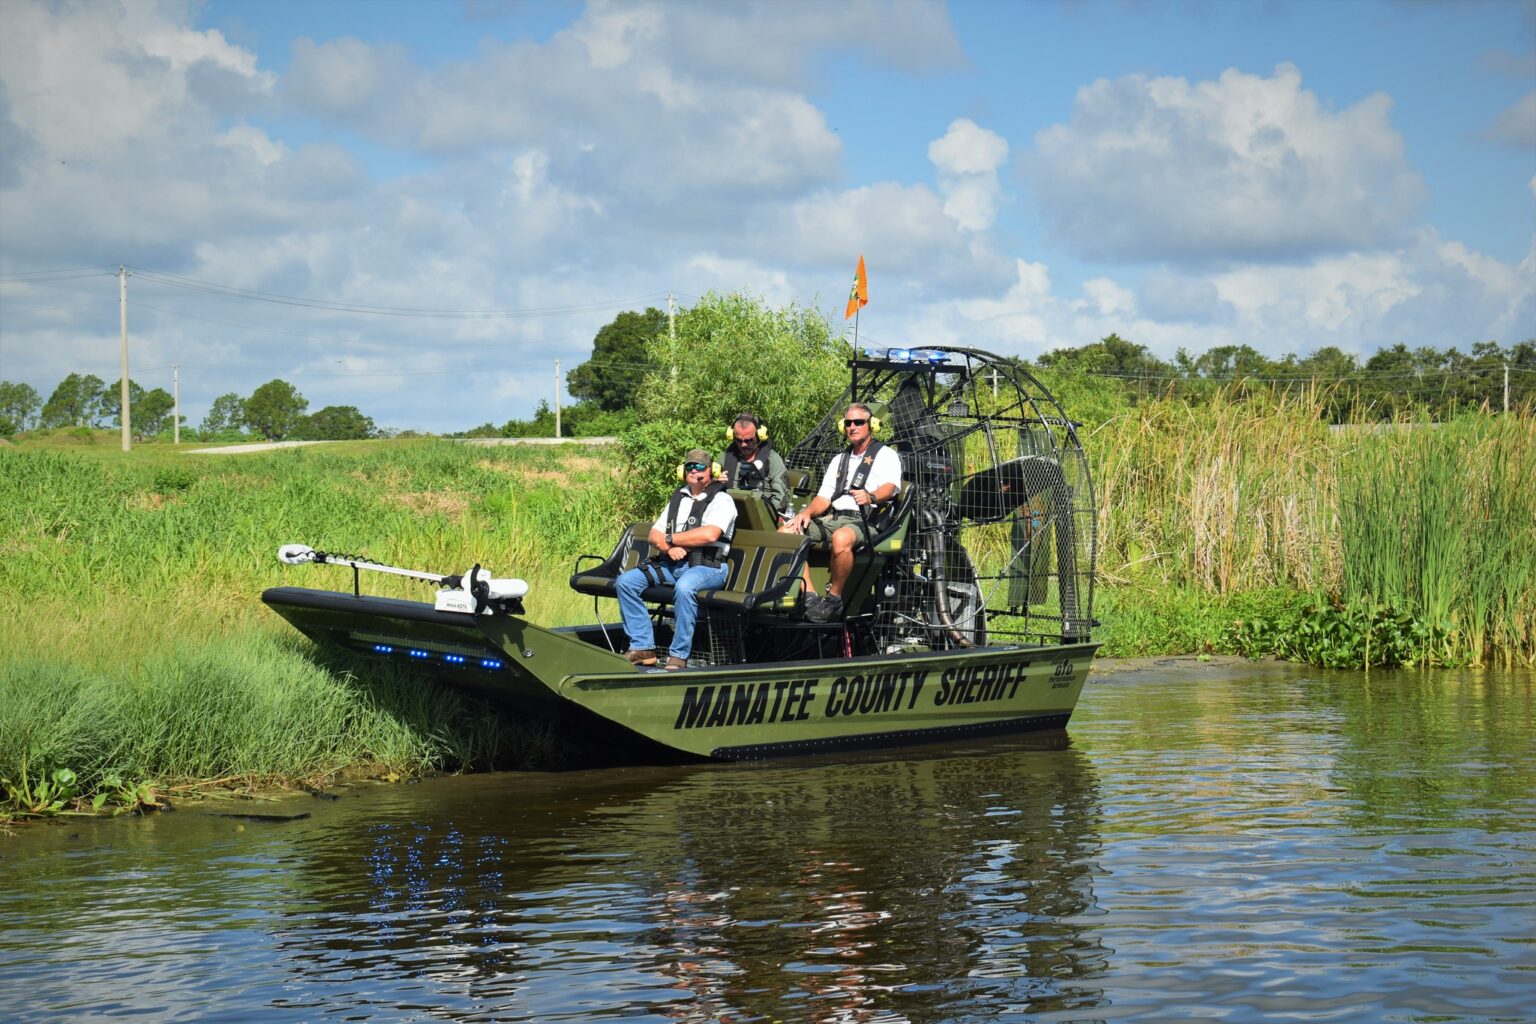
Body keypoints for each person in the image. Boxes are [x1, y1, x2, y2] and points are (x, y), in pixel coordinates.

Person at [617, 448, 738, 670]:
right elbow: (654, 534)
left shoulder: (722, 500)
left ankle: (678, 655)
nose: (695, 471)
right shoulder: (678, 498)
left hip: (708, 566)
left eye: (701, 467)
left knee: (684, 588)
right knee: (626, 582)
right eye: (690, 466)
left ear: (712, 470)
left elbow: (709, 534)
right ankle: (643, 647)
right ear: (683, 471)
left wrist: (671, 539)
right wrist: (668, 548)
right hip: (673, 563)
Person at [780, 403, 902, 623]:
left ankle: (834, 599)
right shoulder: (839, 460)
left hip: (866, 521)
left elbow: (890, 487)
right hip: (834, 518)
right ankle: (809, 595)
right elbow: (824, 497)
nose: (852, 427)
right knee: (786, 533)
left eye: (858, 422)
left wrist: (871, 496)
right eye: (848, 423)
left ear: (871, 425)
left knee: (842, 537)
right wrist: (806, 513)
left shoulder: (886, 455)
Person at [717, 412, 789, 521]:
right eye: (739, 440)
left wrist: (767, 515)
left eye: (749, 440)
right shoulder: (724, 459)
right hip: (727, 516)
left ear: (760, 436)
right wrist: (715, 482)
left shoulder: (772, 459)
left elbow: (781, 497)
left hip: (763, 517)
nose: (743, 445)